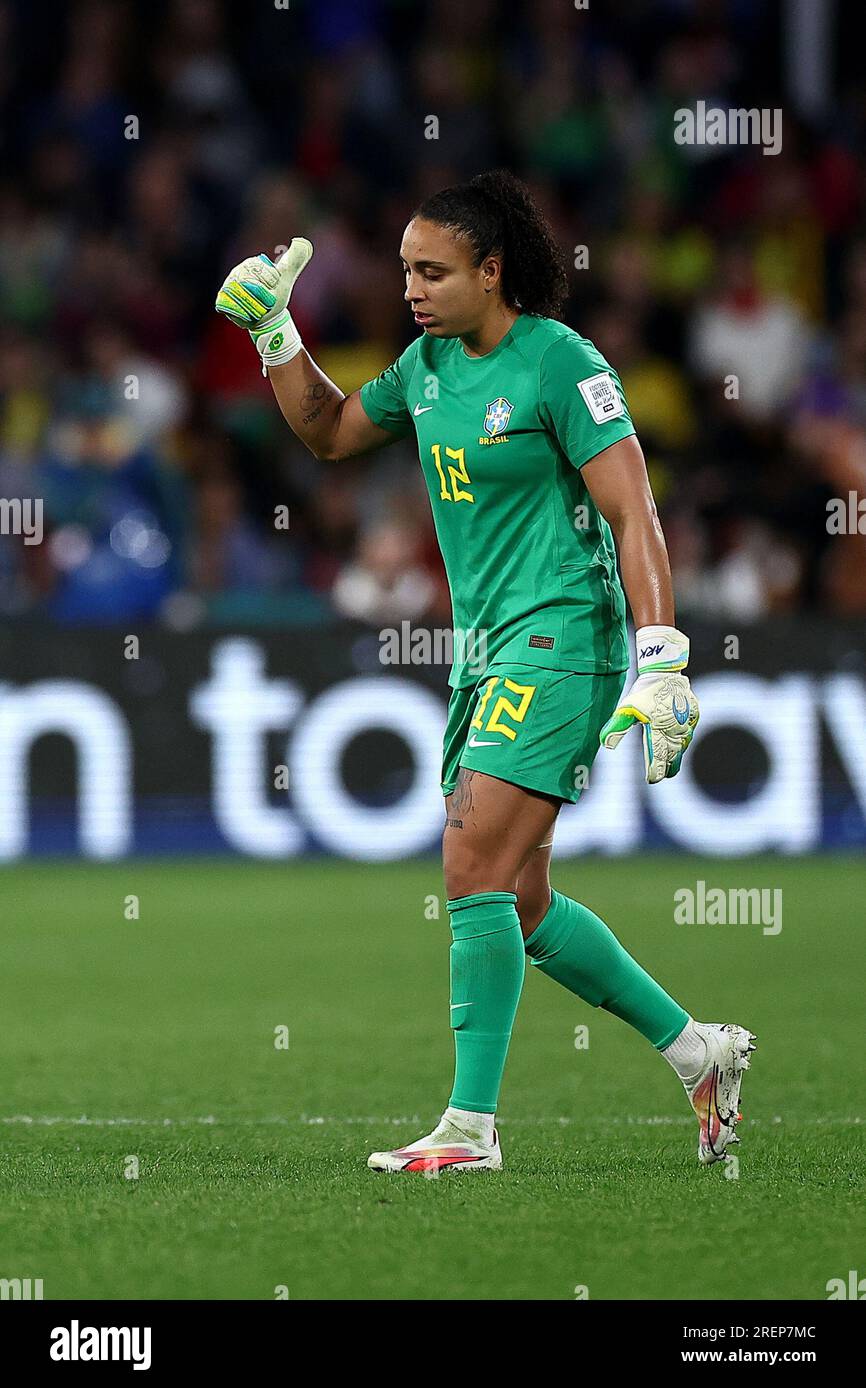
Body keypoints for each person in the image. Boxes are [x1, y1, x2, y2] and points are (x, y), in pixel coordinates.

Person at [215, 169, 756, 1173]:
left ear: (492, 270)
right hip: (486, 651)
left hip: (560, 639)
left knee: (468, 867)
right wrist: (274, 336)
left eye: (434, 271)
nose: (411, 288)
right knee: (523, 901)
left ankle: (469, 1129)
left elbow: (633, 512)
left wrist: (662, 656)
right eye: (405, 270)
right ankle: (698, 1052)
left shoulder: (559, 363)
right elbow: (330, 432)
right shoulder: (425, 368)